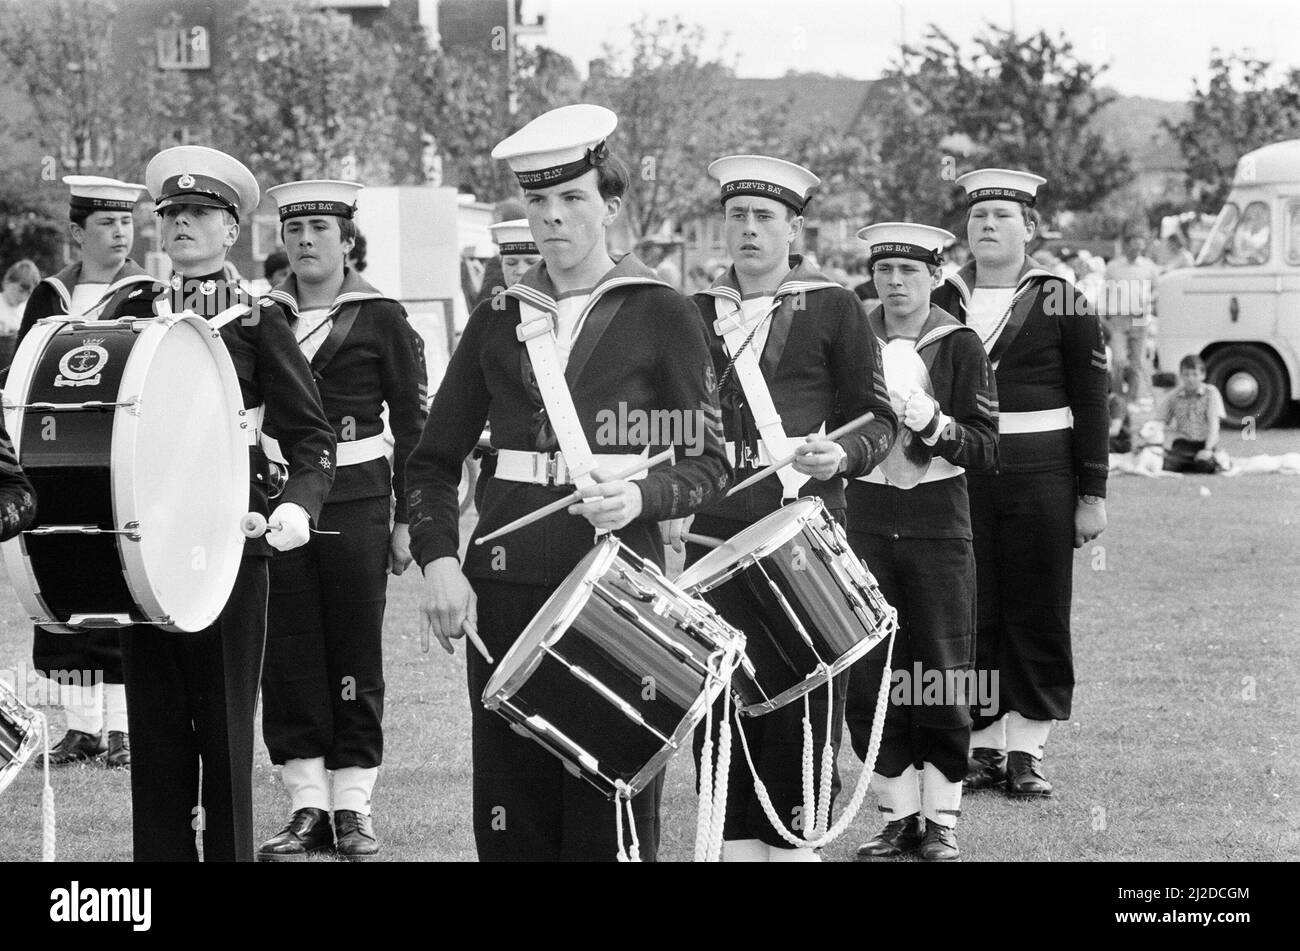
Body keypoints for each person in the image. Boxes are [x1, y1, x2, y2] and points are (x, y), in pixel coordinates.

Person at [406, 104, 729, 862]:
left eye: (573, 198)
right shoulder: (498, 317)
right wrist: (441, 561)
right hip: (506, 584)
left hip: (618, 584)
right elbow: (431, 459)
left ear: (611, 204)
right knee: (512, 809)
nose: (553, 217)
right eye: (539, 201)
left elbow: (709, 461)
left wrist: (643, 497)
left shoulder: (663, 312)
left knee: (609, 803)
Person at [97, 146, 336, 861]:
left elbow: (312, 436)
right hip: (144, 545)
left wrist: (297, 505)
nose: (179, 224)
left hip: (232, 543)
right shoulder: (131, 310)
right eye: (170, 213)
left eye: (198, 213)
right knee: (157, 735)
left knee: (227, 733)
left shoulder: (259, 320)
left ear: (232, 229)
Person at [684, 154, 897, 862]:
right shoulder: (693, 313)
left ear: (794, 227)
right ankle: (736, 842)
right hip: (713, 532)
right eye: (737, 216)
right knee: (722, 701)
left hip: (803, 530)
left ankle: (798, 844)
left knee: (805, 696)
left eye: (764, 217)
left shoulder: (833, 305)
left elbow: (877, 419)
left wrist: (841, 456)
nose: (748, 230)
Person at [255, 180, 428, 861]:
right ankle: (305, 804)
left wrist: (409, 517)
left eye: (320, 229)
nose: (304, 241)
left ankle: (352, 805)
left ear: (347, 239)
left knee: (355, 649)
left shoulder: (383, 315)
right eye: (294, 231)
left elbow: (415, 425)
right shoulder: (261, 316)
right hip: (278, 501)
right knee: (289, 650)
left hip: (358, 499)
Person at [931, 168, 1108, 799]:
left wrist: (1092, 494)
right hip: (961, 474)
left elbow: (1092, 401)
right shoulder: (943, 298)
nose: (986, 227)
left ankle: (1028, 750)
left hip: (1043, 475)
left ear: (1029, 228)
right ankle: (982, 746)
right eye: (978, 217)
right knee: (972, 607)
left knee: (1037, 605)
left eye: (1002, 217)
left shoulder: (1063, 296)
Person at [845, 222, 998, 863]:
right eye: (884, 271)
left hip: (938, 522)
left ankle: (941, 820)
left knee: (938, 671)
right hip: (868, 519)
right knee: (871, 671)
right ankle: (897, 815)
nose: (895, 283)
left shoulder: (958, 344)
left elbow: (988, 449)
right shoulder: (852, 336)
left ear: (936, 276)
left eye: (910, 272)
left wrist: (936, 424)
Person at [11, 177, 156, 768]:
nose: (120, 233)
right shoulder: (49, 295)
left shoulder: (150, 293)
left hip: (121, 459)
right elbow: (22, 374)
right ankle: (81, 726)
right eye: (106, 223)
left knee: (118, 580)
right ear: (77, 232)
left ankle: (122, 727)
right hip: (52, 459)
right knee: (60, 574)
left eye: (126, 223)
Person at [1101, 222, 1161, 408]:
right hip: (1118, 318)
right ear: (1126, 244)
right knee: (1118, 360)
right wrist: (1105, 318)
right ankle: (1118, 398)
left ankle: (1132, 400)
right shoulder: (1113, 267)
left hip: (1140, 319)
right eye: (1134, 243)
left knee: (1137, 362)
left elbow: (1157, 290)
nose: (1137, 247)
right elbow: (1106, 293)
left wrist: (1149, 299)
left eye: (1141, 243)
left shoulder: (1149, 267)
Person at [1160, 354, 1227, 473]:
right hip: (1183, 444)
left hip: (1204, 442)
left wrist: (1207, 448)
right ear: (1181, 376)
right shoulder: (1173, 396)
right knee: (1166, 465)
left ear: (1203, 375)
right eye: (1186, 375)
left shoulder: (1210, 394)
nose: (1190, 379)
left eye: (1194, 374)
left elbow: (1214, 425)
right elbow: (1160, 420)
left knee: (1205, 465)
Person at [0, 259, 40, 365]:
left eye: (28, 294)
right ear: (7, 282)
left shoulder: (27, 310)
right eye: (20, 291)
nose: (22, 297)